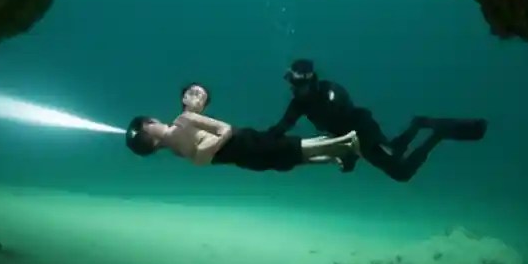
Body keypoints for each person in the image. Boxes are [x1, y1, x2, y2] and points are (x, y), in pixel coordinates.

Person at [267, 59, 487, 181]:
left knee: (401, 171)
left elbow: (345, 123)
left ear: (312, 82)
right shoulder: (299, 103)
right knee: (395, 155)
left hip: (363, 130)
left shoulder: (331, 93)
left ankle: (436, 134)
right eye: (294, 87)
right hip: (349, 139)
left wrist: (349, 154)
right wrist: (264, 141)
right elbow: (283, 125)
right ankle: (418, 124)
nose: (296, 92)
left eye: (300, 87)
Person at [125, 82, 360, 171]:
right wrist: (204, 151)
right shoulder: (176, 146)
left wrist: (207, 149)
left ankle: (345, 142)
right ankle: (337, 154)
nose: (149, 124)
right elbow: (202, 157)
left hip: (242, 142)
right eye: (146, 127)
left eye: (146, 123)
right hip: (238, 157)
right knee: (286, 158)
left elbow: (224, 130)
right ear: (153, 143)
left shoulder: (183, 121)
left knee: (290, 148)